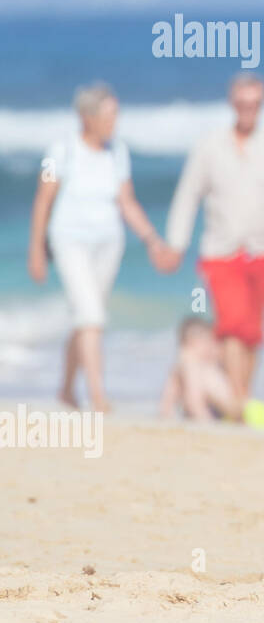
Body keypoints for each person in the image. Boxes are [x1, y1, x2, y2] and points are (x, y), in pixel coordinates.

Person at [159, 73, 264, 406]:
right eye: (242, 104)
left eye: (254, 104)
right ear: (232, 103)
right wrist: (176, 243)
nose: (248, 110)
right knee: (230, 326)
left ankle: (241, 397)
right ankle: (237, 402)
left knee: (252, 333)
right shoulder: (209, 145)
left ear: (262, 105)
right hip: (220, 250)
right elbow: (188, 195)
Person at [27, 82, 170, 412]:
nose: (114, 121)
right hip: (69, 241)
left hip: (108, 244)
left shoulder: (117, 151)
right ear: (87, 117)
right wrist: (36, 248)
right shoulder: (59, 151)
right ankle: (98, 395)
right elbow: (42, 200)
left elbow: (127, 202)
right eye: (109, 114)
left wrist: (152, 240)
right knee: (91, 315)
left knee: (85, 319)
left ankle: (65, 389)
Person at [159, 316, 240, 420]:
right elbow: (192, 400)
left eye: (212, 342)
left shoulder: (208, 363)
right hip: (214, 412)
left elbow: (167, 402)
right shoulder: (190, 361)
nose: (210, 347)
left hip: (223, 410)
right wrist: (204, 419)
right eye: (206, 342)